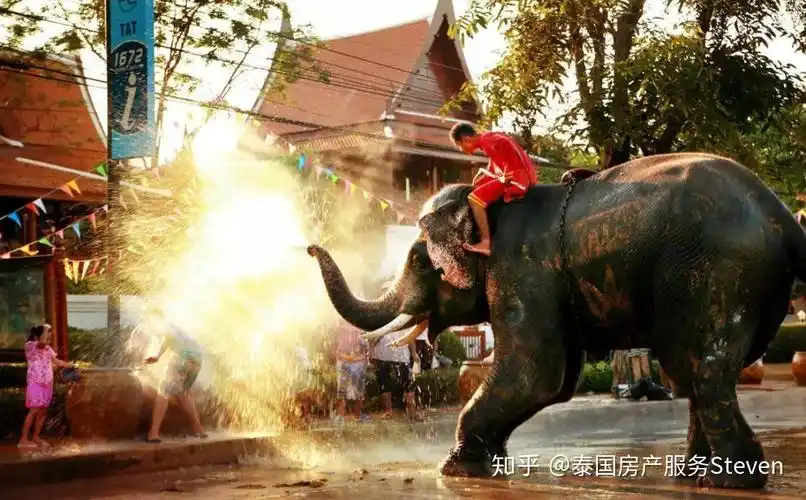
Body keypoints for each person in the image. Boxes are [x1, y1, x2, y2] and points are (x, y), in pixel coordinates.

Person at [449, 122, 539, 256]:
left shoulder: (488, 141)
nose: (461, 149)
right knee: (479, 188)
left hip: (516, 180)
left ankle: (485, 242)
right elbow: (494, 167)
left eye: (460, 145)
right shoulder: (488, 139)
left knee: (473, 199)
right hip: (517, 176)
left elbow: (505, 144)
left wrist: (509, 173)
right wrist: (483, 180)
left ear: (466, 139)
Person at [141, 311, 207, 443]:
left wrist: (157, 356)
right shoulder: (178, 327)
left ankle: (153, 433)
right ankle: (198, 429)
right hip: (197, 360)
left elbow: (168, 338)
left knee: (163, 391)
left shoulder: (164, 326)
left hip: (183, 358)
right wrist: (157, 357)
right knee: (183, 393)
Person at [19, 323, 74, 449]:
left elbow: (57, 361)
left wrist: (70, 365)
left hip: (47, 383)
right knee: (34, 411)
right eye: (47, 334)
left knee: (43, 412)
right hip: (35, 382)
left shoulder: (48, 349)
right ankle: (23, 439)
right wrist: (46, 328)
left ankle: (36, 437)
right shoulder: (30, 346)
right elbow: (41, 342)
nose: (49, 337)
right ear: (39, 335)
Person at [372, 324, 423, 421]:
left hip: (402, 358)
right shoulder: (380, 320)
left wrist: (414, 353)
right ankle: (389, 412)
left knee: (409, 386)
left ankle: (412, 411)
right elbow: (372, 340)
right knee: (385, 386)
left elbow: (410, 336)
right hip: (383, 357)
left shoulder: (404, 320)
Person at [333, 322, 371, 425]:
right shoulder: (342, 329)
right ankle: (340, 416)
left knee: (360, 391)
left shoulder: (362, 330)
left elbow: (367, 350)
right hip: (344, 363)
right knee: (342, 390)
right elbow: (337, 351)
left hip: (359, 363)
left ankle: (357, 416)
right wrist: (349, 358)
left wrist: (363, 359)